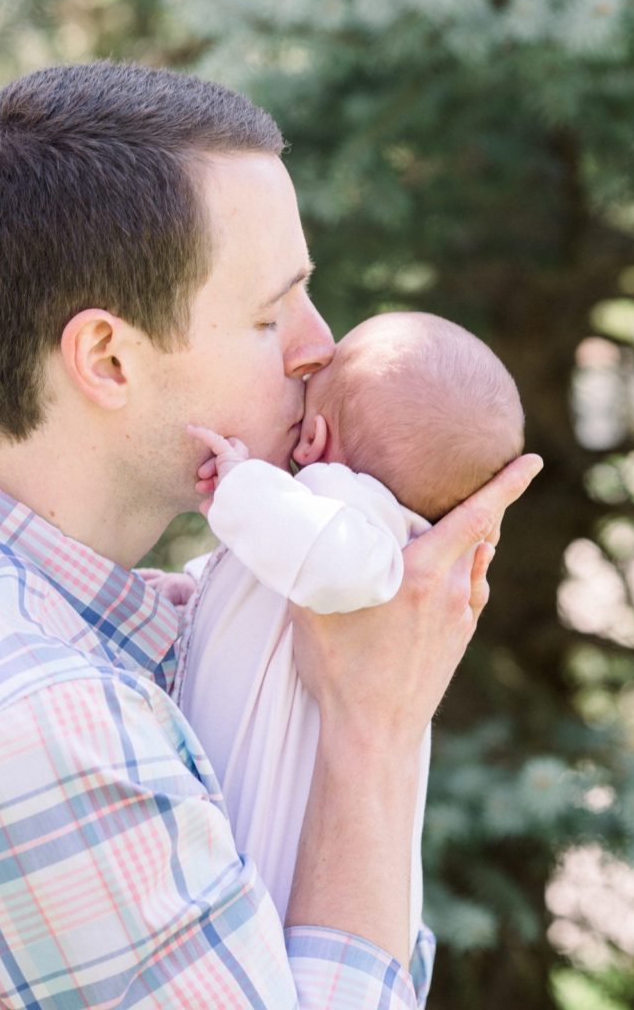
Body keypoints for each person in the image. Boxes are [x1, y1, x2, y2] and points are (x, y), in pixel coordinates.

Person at [0, 61, 542, 1009]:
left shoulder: (27, 605)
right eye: (270, 314)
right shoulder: (38, 718)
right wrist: (374, 726)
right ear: (108, 357)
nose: (321, 345)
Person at [173, 311, 525, 947]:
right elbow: (254, 591)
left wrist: (241, 481)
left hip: (272, 852)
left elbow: (336, 564)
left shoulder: (355, 520)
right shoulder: (320, 526)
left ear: (315, 440)